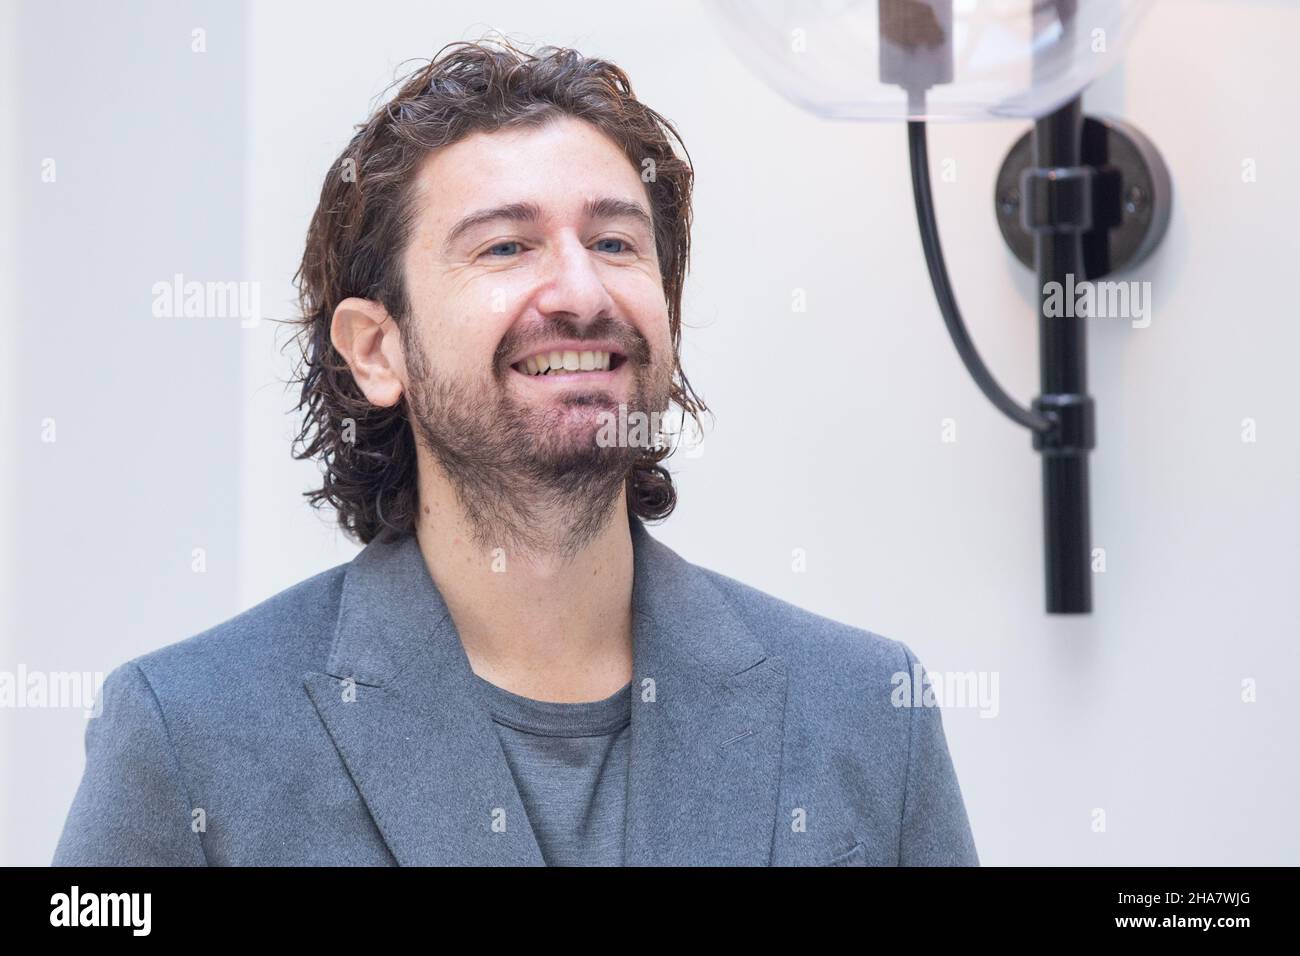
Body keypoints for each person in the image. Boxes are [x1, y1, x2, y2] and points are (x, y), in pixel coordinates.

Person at [52, 37, 977, 867]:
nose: (581, 290)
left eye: (616, 242)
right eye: (505, 247)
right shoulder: (188, 737)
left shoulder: (868, 712)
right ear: (378, 350)